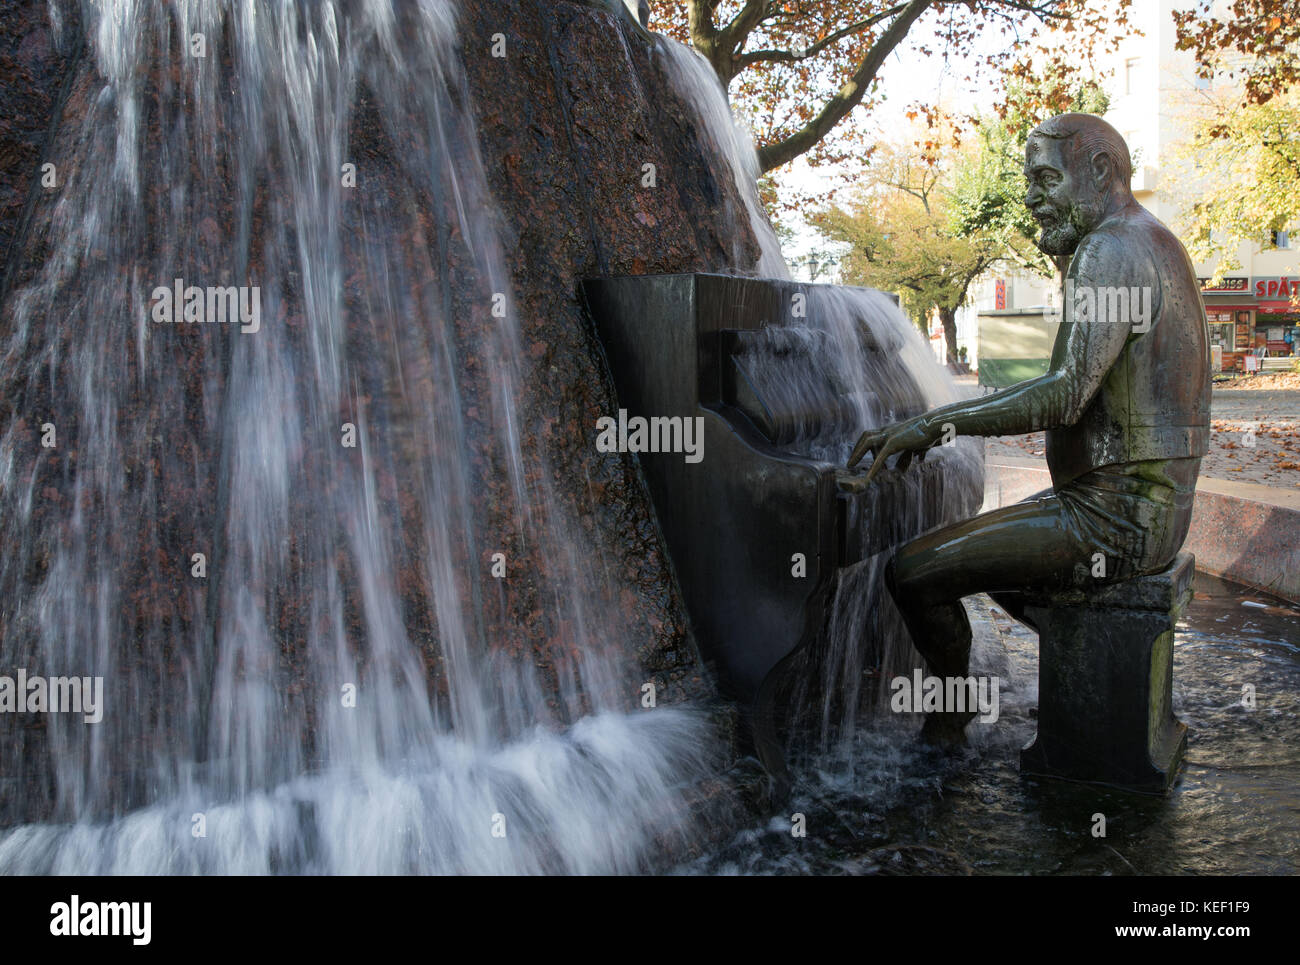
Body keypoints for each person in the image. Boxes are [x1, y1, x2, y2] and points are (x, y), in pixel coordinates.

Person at [846, 114, 1211, 744]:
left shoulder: (1109, 248)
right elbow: (1071, 385)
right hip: (1150, 506)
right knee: (994, 564)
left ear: (1100, 171)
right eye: (1028, 182)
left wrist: (933, 425)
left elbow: (1065, 394)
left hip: (1117, 517)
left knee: (913, 572)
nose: (1033, 197)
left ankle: (951, 722)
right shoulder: (1154, 240)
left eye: (1046, 177)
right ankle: (1087, 676)